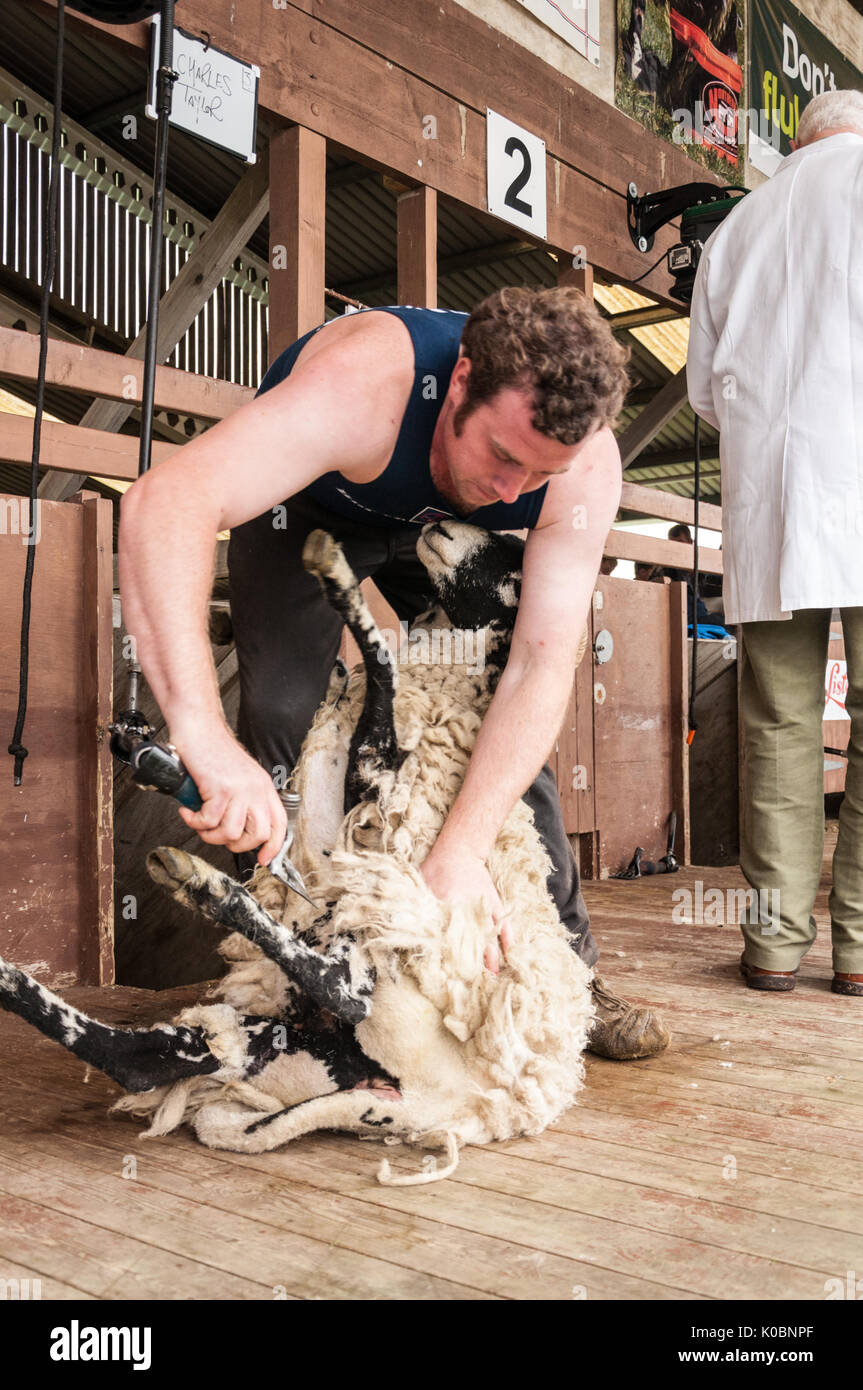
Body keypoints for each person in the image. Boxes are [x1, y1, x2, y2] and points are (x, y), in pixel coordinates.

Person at [119, 286, 670, 1056]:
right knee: (282, 713)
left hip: (448, 528)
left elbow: (540, 667)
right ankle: (298, 962)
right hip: (309, 508)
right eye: (505, 456)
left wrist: (461, 853)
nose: (516, 489)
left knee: (492, 715)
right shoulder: (362, 386)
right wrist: (202, 736)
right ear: (460, 382)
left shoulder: (578, 470)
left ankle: (565, 971)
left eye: (540, 474)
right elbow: (165, 501)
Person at [686, 89, 863, 997]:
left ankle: (772, 946)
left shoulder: (735, 227)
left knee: (779, 721)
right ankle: (860, 948)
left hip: (769, 506)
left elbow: (703, 397)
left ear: (797, 142)